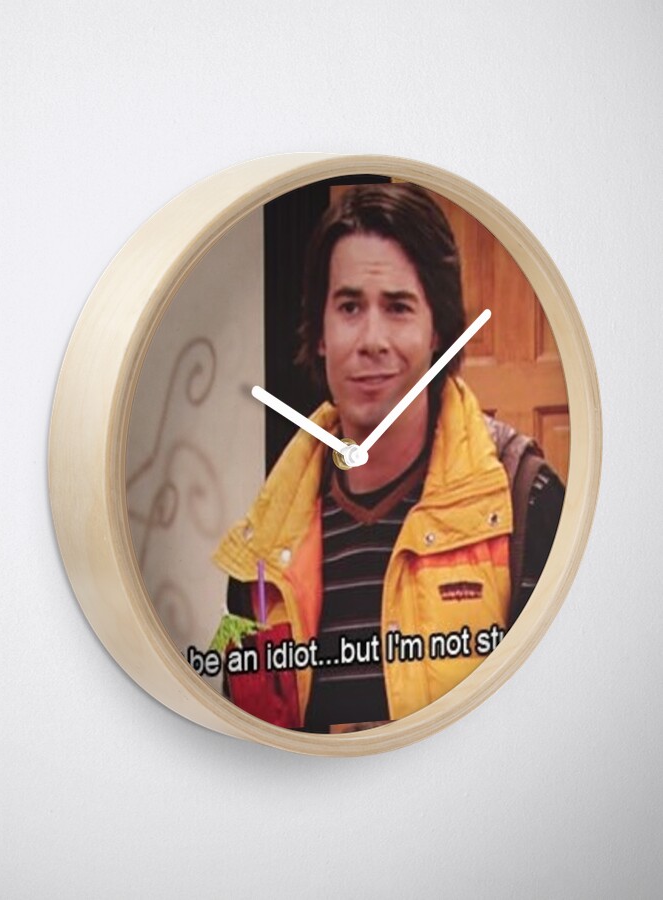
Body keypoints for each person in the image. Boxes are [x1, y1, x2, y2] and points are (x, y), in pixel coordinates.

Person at [213, 183, 564, 733]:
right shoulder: (264, 544)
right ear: (321, 332)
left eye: (398, 308)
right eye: (349, 307)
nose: (371, 339)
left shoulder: (525, 501)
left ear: (438, 331)